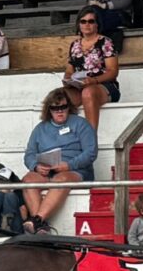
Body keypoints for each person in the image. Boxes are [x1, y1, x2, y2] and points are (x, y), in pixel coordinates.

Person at [21, 88, 97, 233]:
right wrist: (36, 166)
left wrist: (69, 165)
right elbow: (29, 154)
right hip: (48, 171)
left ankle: (37, 219)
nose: (60, 111)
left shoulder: (81, 124)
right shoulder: (40, 129)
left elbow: (91, 152)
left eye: (63, 107)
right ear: (49, 110)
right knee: (28, 179)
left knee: (61, 179)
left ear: (69, 107)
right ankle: (41, 226)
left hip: (76, 170)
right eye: (55, 108)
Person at [62, 8, 119, 130]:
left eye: (91, 21)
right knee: (59, 96)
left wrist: (94, 81)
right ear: (78, 24)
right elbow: (69, 70)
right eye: (83, 21)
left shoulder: (105, 42)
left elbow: (113, 72)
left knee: (88, 93)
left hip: (105, 85)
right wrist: (67, 79)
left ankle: (91, 140)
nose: (86, 24)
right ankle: (65, 139)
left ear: (97, 24)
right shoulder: (74, 45)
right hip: (81, 85)